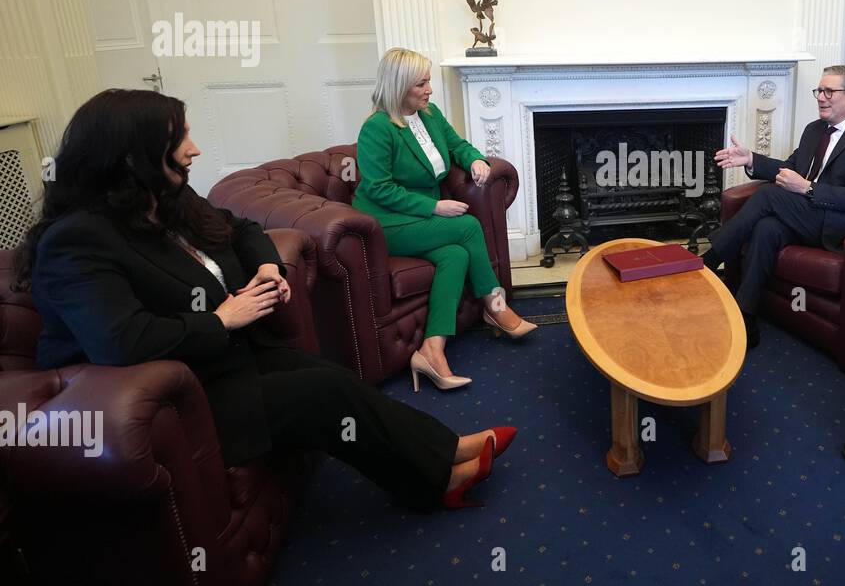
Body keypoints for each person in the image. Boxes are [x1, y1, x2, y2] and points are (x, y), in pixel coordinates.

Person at [17, 89, 512, 511]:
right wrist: (222, 319)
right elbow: (120, 343)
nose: (195, 150)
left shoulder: (165, 200)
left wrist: (267, 265)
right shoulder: (77, 241)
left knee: (335, 377)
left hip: (226, 361)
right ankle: (438, 480)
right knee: (325, 396)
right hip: (175, 393)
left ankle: (447, 450)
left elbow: (243, 229)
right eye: (179, 140)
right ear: (134, 157)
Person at [353, 47, 536, 391]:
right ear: (398, 86)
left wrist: (475, 161)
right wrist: (434, 208)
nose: (429, 89)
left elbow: (458, 145)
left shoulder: (430, 114)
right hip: (385, 223)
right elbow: (378, 189)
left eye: (428, 82)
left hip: (417, 219)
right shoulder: (377, 129)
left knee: (456, 255)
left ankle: (430, 350)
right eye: (421, 84)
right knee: (467, 227)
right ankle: (495, 305)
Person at [705, 64, 845, 347]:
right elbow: (789, 170)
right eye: (819, 90)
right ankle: (746, 316)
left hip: (840, 223)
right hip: (807, 214)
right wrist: (752, 160)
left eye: (830, 91)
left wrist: (808, 188)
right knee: (767, 228)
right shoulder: (814, 130)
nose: (821, 97)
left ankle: (707, 262)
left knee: (769, 196)